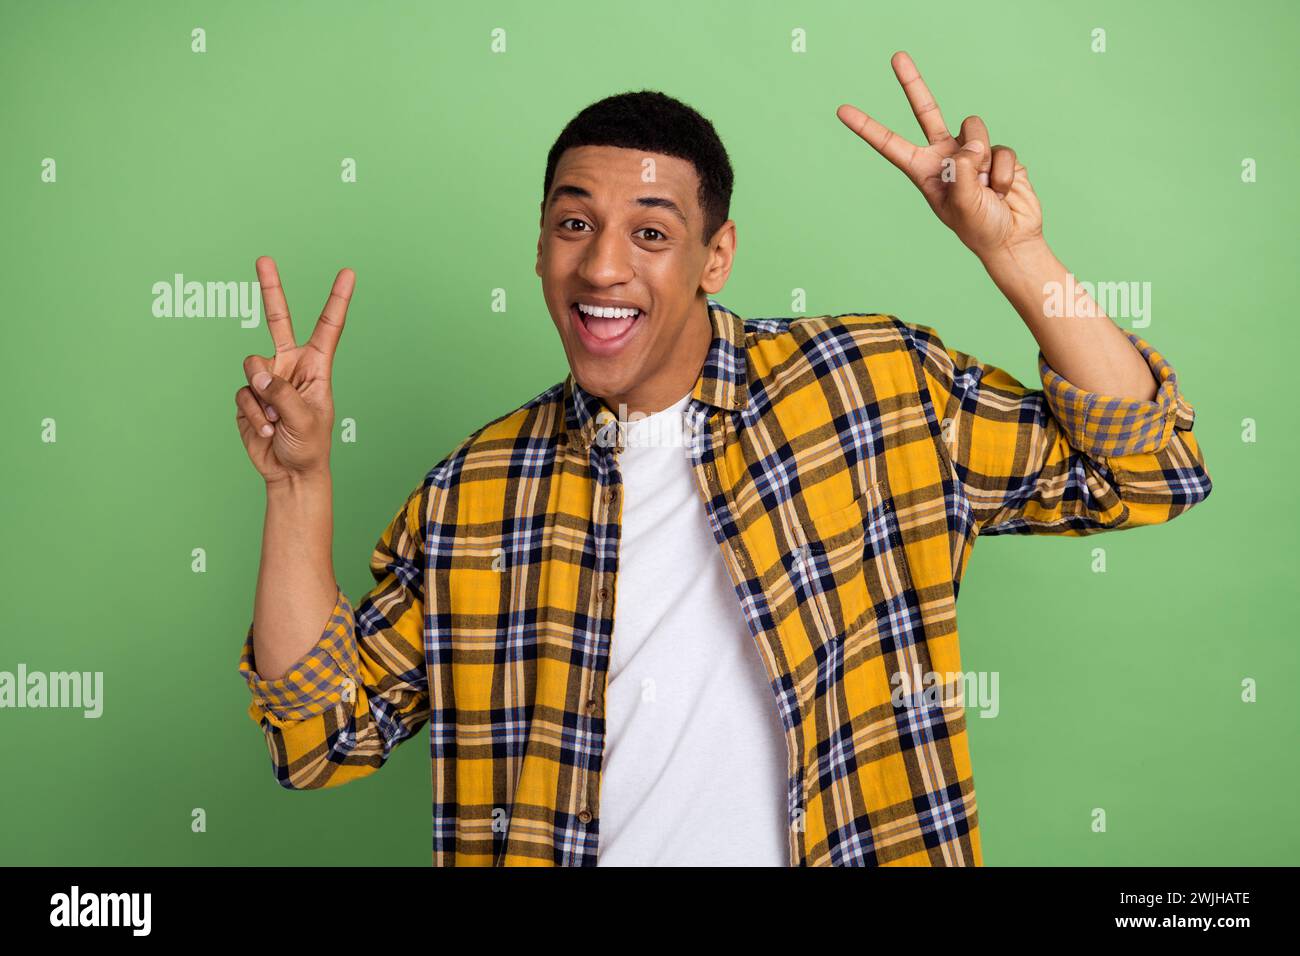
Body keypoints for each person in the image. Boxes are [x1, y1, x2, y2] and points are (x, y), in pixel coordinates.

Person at [232, 52, 1211, 866]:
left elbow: (1145, 464)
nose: (603, 265)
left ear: (716, 255)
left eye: (650, 233)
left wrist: (1017, 254)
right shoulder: (473, 492)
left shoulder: (870, 388)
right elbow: (325, 736)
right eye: (573, 223)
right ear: (537, 247)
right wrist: (297, 484)